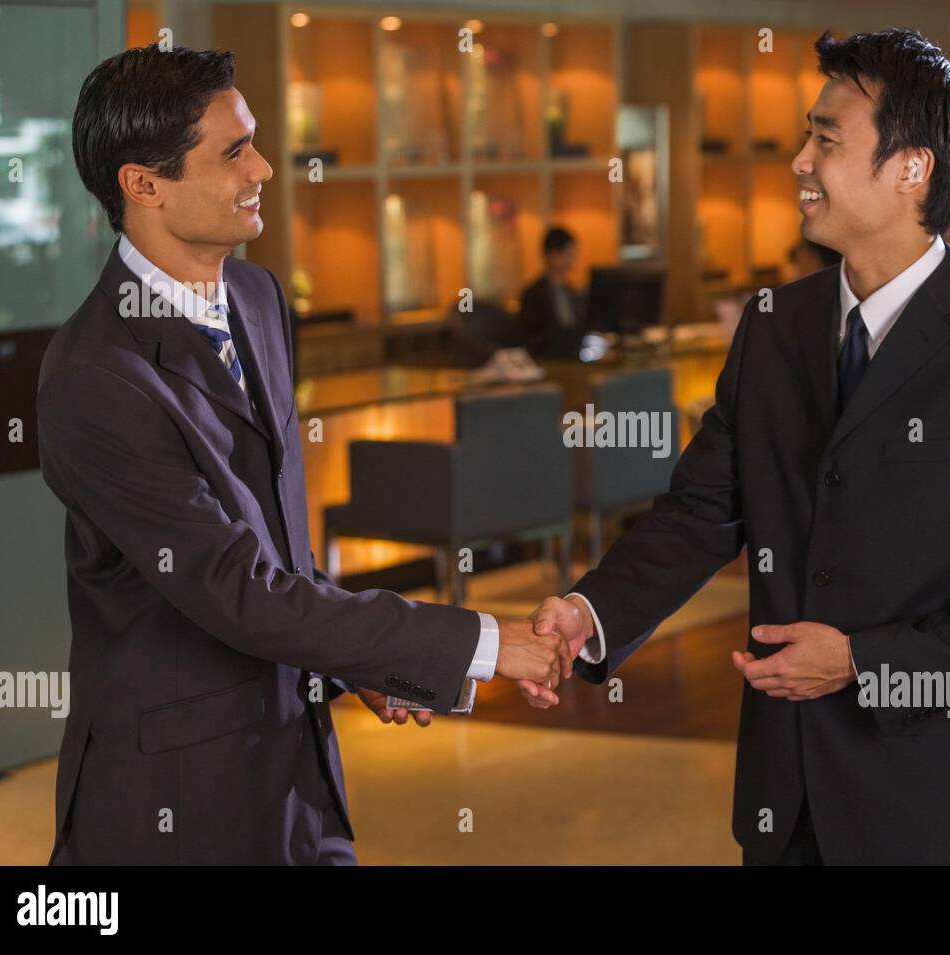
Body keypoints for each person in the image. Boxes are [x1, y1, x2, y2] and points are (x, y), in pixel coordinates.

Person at [523, 28, 950, 865]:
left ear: (914, 170)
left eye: (826, 140)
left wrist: (862, 661)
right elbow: (700, 511)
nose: (799, 159)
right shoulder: (771, 328)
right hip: (784, 797)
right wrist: (590, 612)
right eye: (807, 135)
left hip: (933, 806)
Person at [36, 45, 569, 865]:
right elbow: (236, 590)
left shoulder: (258, 296)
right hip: (173, 807)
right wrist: (480, 641)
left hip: (299, 774)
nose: (265, 169)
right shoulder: (95, 375)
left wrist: (364, 661)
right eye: (233, 152)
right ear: (143, 184)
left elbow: (282, 553)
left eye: (253, 141)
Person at [516, 226, 586, 358]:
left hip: (574, 356)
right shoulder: (533, 294)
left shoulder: (573, 292)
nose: (571, 259)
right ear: (551, 254)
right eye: (566, 253)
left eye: (572, 253)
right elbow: (531, 338)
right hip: (548, 359)